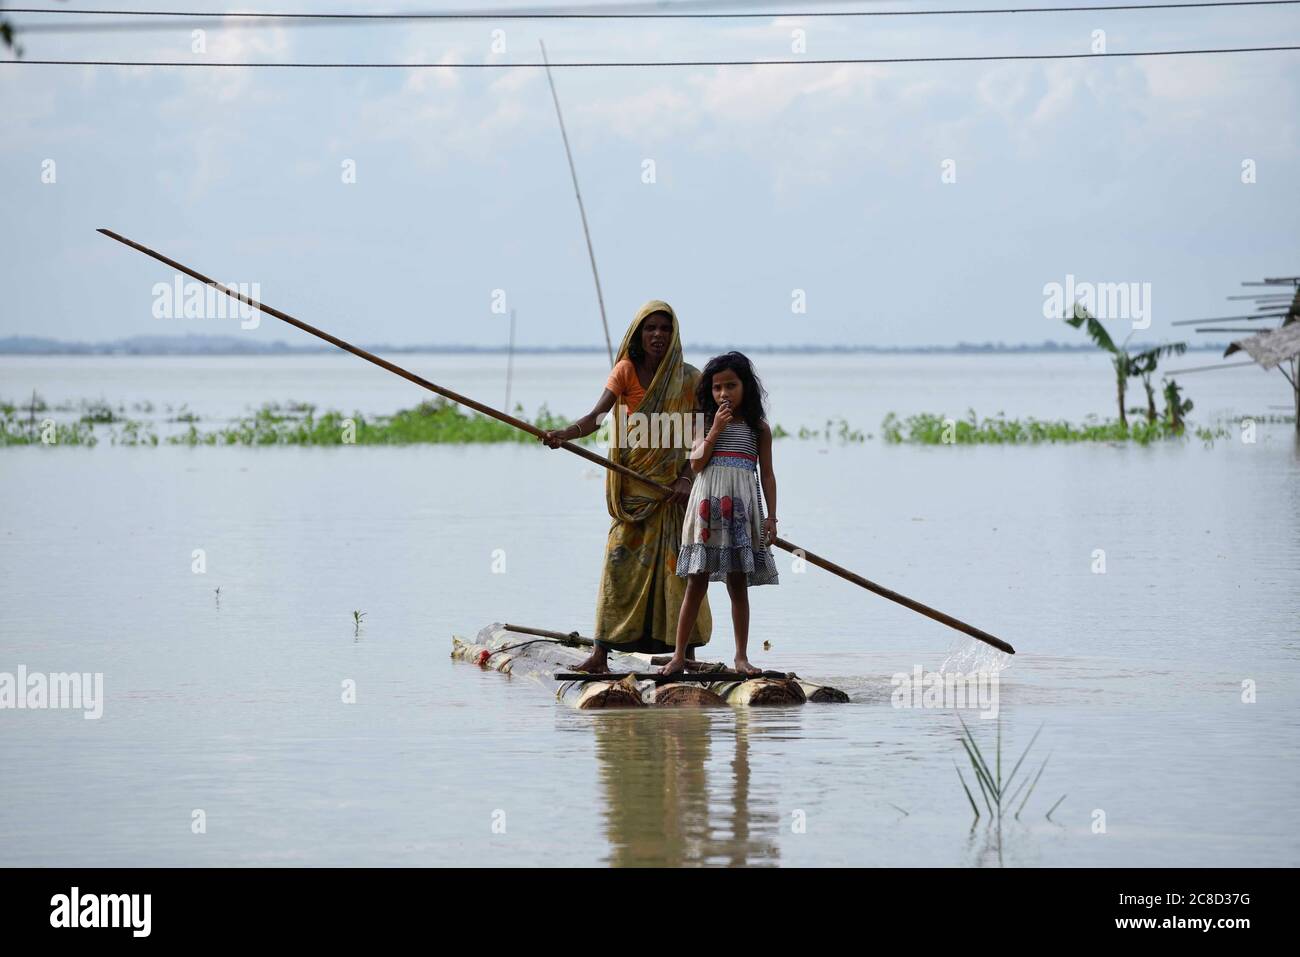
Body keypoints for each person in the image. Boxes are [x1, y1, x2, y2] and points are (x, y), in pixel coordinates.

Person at [540, 300, 711, 673]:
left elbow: (701, 439)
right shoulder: (625, 371)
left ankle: (686, 656)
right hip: (634, 491)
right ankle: (600, 655)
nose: (658, 336)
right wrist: (564, 435)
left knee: (679, 571)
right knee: (619, 564)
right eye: (650, 329)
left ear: (674, 334)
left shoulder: (690, 380)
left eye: (665, 329)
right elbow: (596, 417)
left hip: (673, 493)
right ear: (638, 334)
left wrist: (685, 479)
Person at [659, 352, 779, 677]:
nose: (723, 393)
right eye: (717, 388)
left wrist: (771, 518)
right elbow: (697, 463)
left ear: (746, 388)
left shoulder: (758, 428)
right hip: (707, 510)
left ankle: (741, 657)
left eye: (731, 386)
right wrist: (716, 429)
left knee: (737, 585)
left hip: (739, 513)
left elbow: (767, 475)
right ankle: (679, 657)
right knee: (696, 584)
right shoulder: (703, 422)